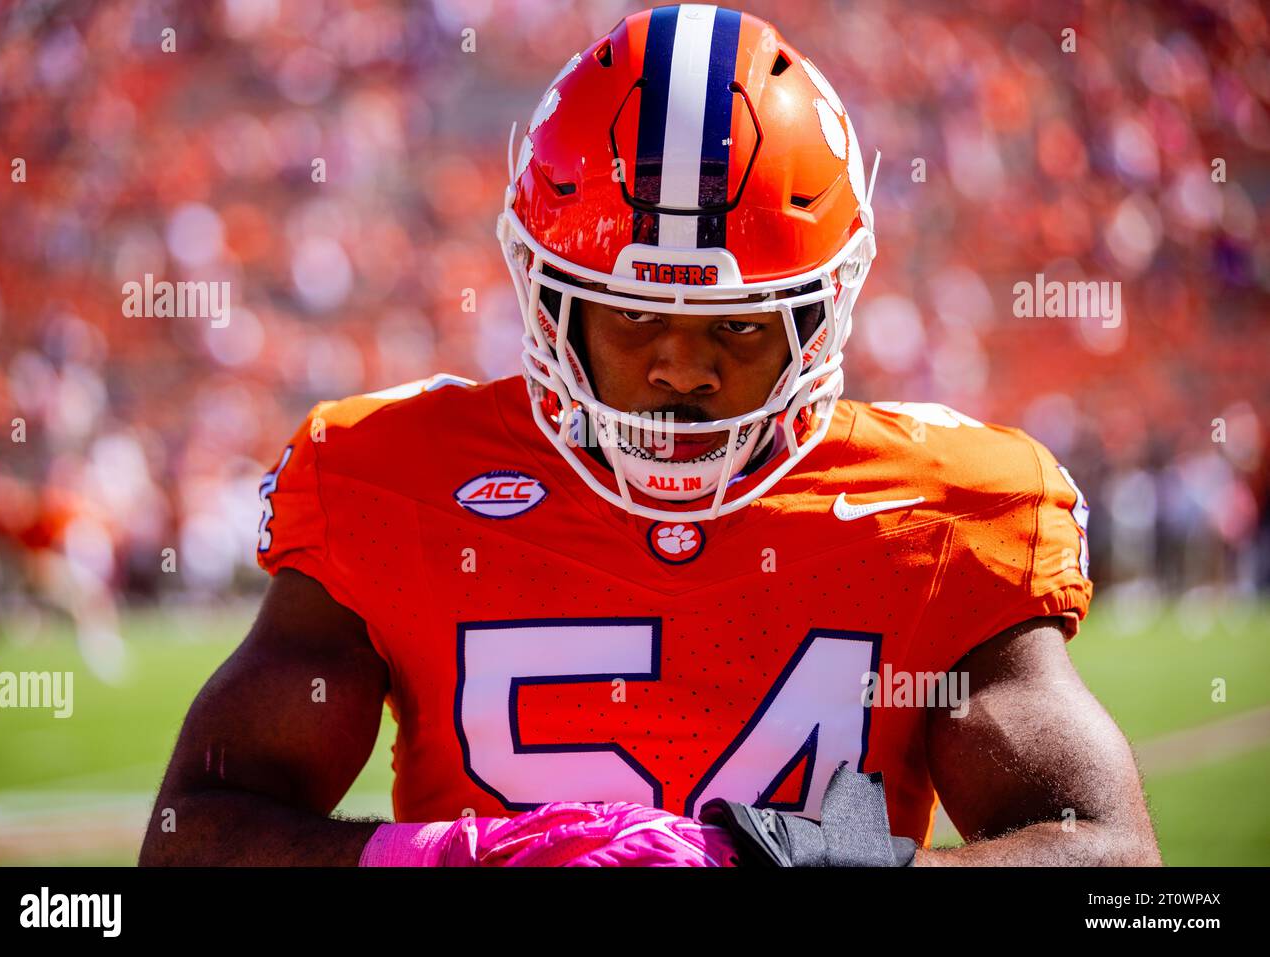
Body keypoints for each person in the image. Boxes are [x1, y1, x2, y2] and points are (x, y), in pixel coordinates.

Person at [140, 3, 1160, 866]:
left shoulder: (940, 514)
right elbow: (194, 832)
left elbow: (1110, 862)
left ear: (822, 312)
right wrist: (468, 856)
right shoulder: (390, 478)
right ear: (549, 299)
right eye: (632, 316)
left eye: (739, 324)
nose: (682, 367)